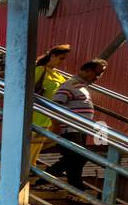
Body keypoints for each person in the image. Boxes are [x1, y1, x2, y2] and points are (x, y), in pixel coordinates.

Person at [46, 58, 107, 190]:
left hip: (79, 129)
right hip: (69, 129)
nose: (97, 77)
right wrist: (56, 125)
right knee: (77, 157)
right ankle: (46, 177)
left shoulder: (81, 87)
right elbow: (55, 105)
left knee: (76, 159)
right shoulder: (70, 85)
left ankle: (75, 187)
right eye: (96, 73)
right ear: (86, 70)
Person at [31, 44, 72, 169]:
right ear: (52, 56)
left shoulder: (58, 75)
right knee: (34, 139)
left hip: (50, 114)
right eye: (61, 58)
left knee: (41, 141)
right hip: (37, 112)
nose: (62, 61)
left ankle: (31, 163)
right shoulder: (40, 70)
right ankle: (27, 164)